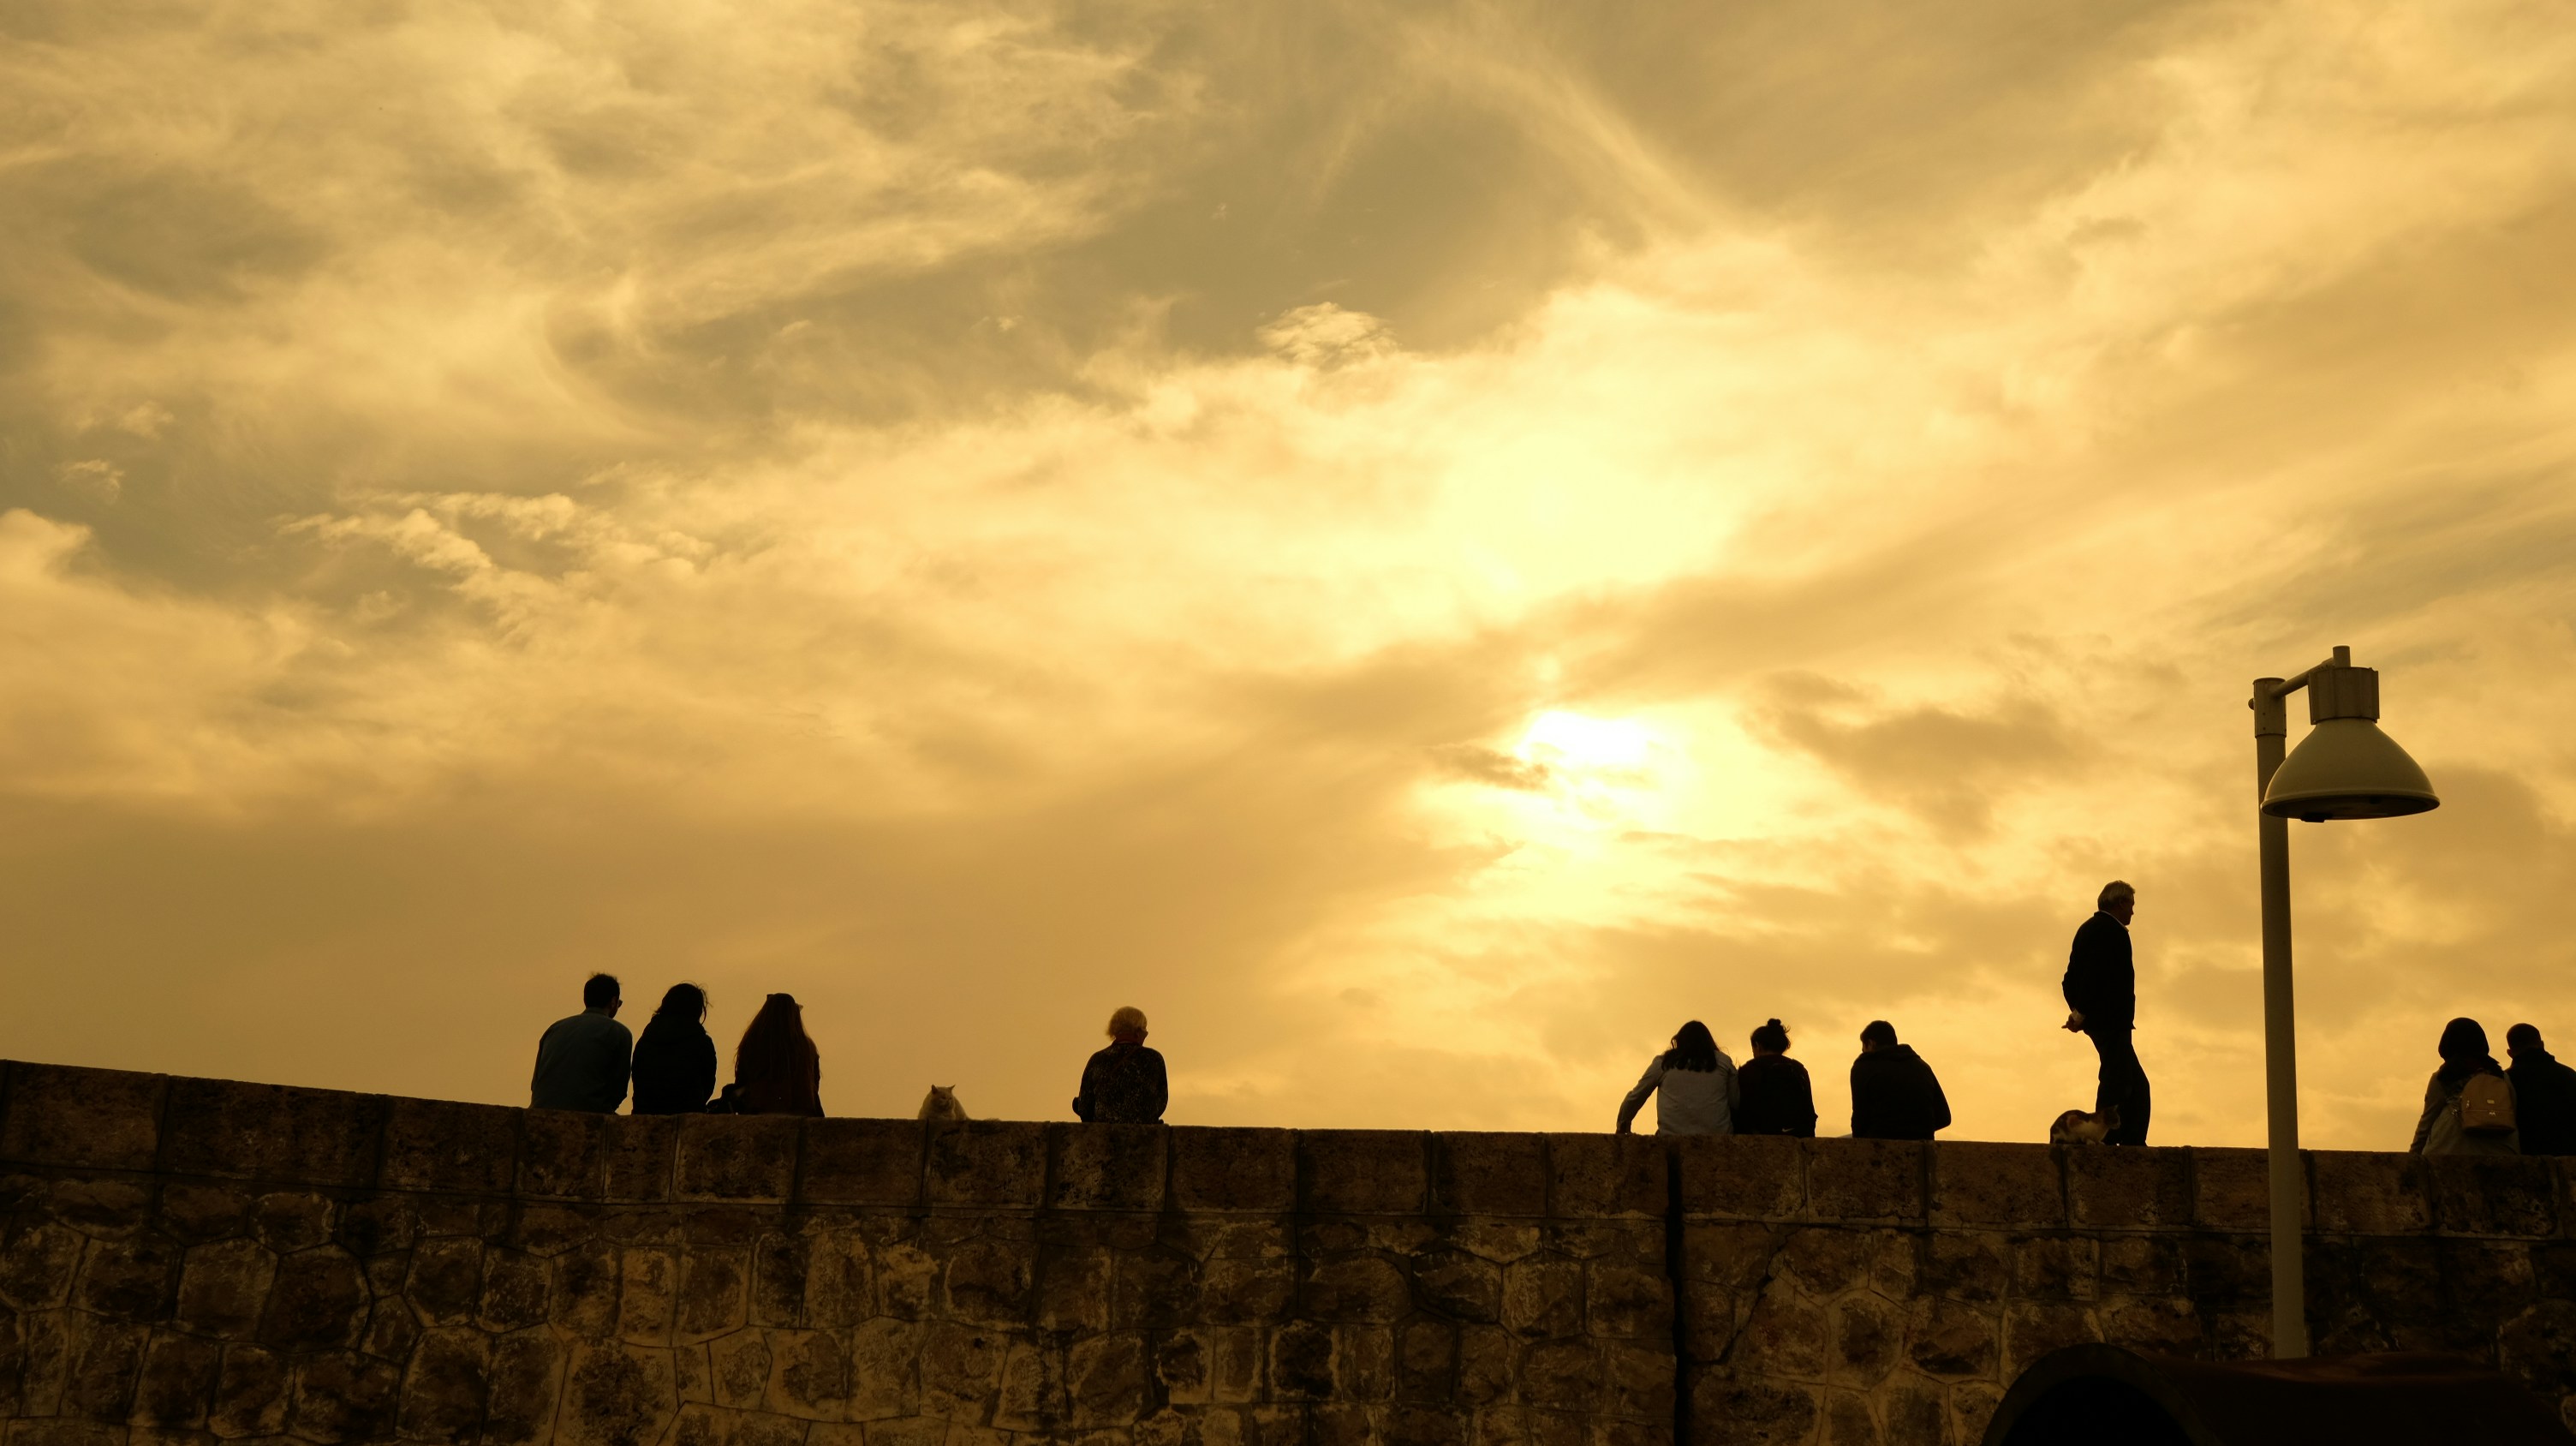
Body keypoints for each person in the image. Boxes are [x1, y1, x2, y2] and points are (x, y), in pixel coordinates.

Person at [2062, 880, 2151, 1145]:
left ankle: (2129, 1138)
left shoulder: (2087, 929)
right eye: (2131, 905)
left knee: (2132, 1082)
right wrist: (2082, 1013)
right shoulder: (2112, 932)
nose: (2133, 912)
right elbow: (2095, 977)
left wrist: (2079, 1012)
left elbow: (2070, 979)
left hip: (2102, 1020)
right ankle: (2106, 1138)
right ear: (2120, 902)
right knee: (2119, 1080)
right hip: (2112, 1021)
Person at [2411, 1018, 2518, 1156]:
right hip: (2503, 1150)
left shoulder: (2443, 1077)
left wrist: (2413, 1156)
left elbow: (2426, 1123)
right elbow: (2512, 1110)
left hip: (2451, 1150)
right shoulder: (2501, 1076)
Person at [530, 973, 633, 1113]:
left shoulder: (555, 1028)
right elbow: (618, 1089)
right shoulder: (619, 1032)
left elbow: (536, 1082)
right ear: (613, 1002)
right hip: (590, 1111)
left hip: (540, 1110)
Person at [1616, 1020, 1739, 1136]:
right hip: (1718, 1136)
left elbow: (1636, 1097)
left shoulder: (1664, 1063)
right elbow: (1735, 1102)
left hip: (1672, 1137)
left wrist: (1622, 1125)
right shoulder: (1724, 1062)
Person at [1850, 1020, 1950, 1140]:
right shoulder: (1922, 1067)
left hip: (1879, 1143)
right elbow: (1944, 1117)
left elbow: (1859, 1119)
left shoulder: (1864, 1066)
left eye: (1863, 1048)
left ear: (1870, 1044)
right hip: (1922, 1145)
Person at [730, 993, 824, 1117]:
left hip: (758, 1111)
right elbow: (813, 1084)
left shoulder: (752, 1043)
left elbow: (741, 1079)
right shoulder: (805, 1047)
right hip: (799, 1112)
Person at [630, 983, 719, 1114]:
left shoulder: (645, 1041)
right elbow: (708, 1084)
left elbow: (637, 1079)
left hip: (645, 1113)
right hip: (688, 1115)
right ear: (698, 1011)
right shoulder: (702, 1043)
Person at [1073, 1006, 1169, 1123]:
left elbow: (1084, 1108)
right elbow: (1161, 1103)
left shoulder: (1098, 1060)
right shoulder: (1154, 1059)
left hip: (1103, 1134)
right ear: (1138, 1032)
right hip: (1143, 1132)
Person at [1733, 1019, 1816, 1138]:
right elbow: (1809, 1109)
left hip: (1760, 1137)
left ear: (1757, 1045)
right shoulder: (1798, 1069)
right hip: (1797, 1135)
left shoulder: (1749, 1070)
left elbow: (1741, 1108)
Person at [2506, 1024, 2576, 1156]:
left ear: (2510, 1053)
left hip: (2527, 1160)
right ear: (2542, 1044)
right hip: (2569, 1157)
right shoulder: (2569, 1075)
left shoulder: (2506, 1080)